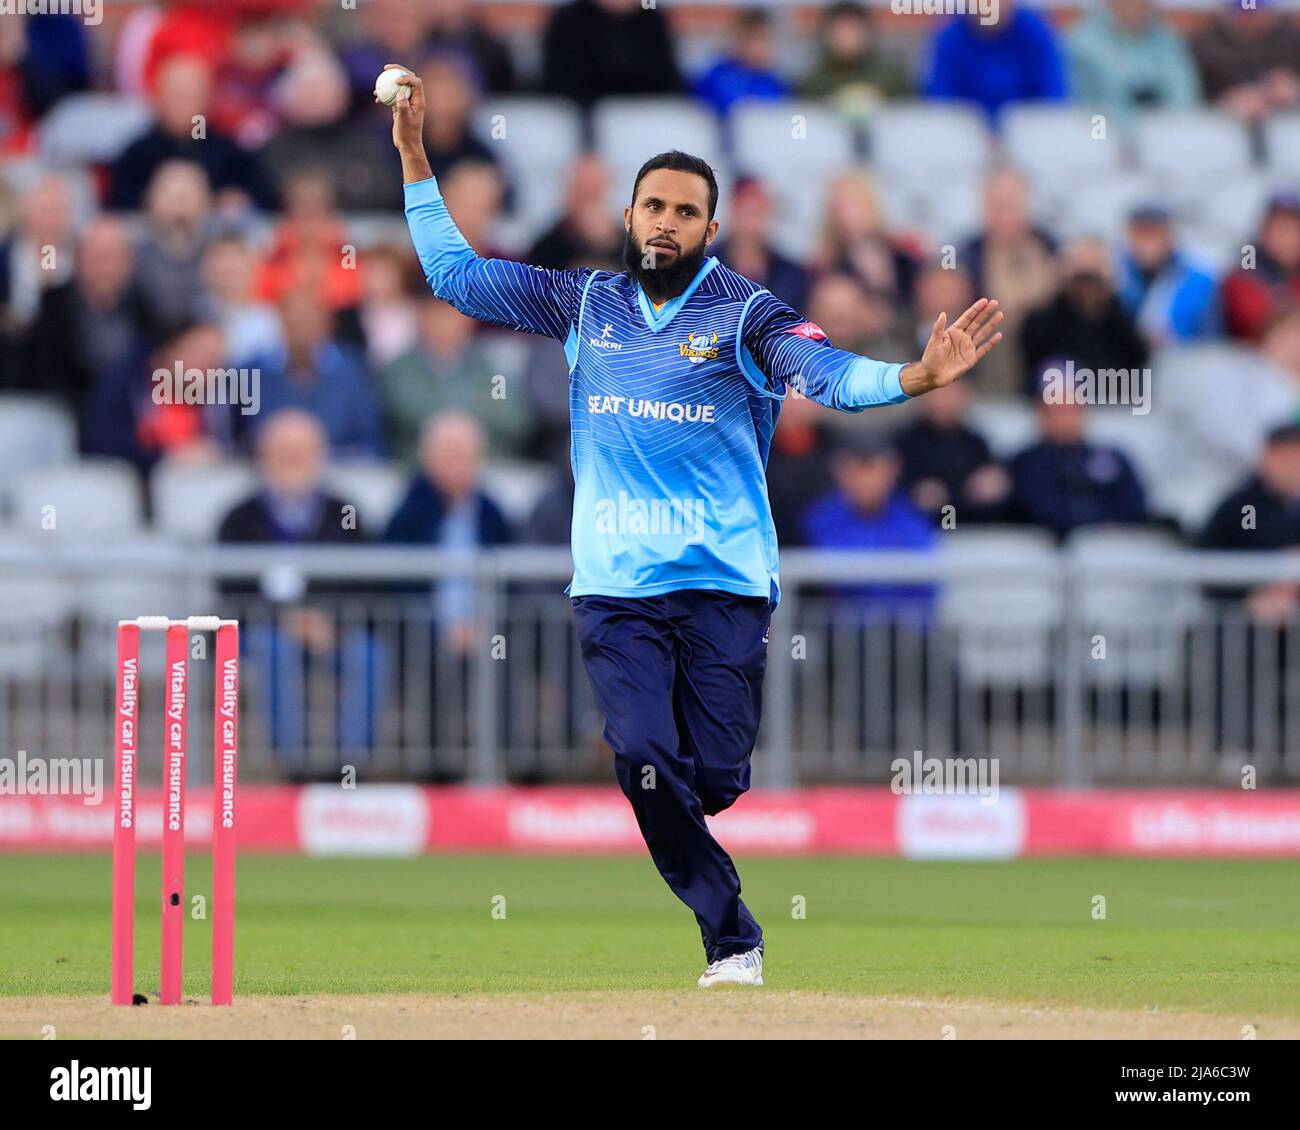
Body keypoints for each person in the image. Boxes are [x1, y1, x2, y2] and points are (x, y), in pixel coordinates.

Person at [385, 64, 1003, 988]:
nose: (666, 222)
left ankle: (703, 826)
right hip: (618, 591)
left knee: (712, 780)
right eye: (653, 207)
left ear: (709, 231)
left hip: (723, 585)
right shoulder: (584, 302)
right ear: (628, 218)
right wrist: (414, 159)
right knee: (641, 758)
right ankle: (733, 938)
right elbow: (454, 275)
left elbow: (823, 376)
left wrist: (909, 379)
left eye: (685, 210)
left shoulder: (747, 313)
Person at [217, 409, 385, 769]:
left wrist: (329, 621)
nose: (292, 462)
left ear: (320, 458)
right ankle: (292, 767)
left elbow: (365, 580)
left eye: (302, 453)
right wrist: (285, 620)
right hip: (263, 629)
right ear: (263, 458)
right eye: (282, 452)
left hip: (333, 631)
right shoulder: (239, 517)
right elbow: (229, 586)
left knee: (369, 655)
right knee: (273, 649)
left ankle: (350, 768)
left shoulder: (346, 514)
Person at [1117, 203, 1218, 348]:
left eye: (1152, 234)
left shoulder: (1198, 282)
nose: (1146, 244)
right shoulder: (1115, 276)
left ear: (1169, 236)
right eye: (1139, 234)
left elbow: (1210, 340)